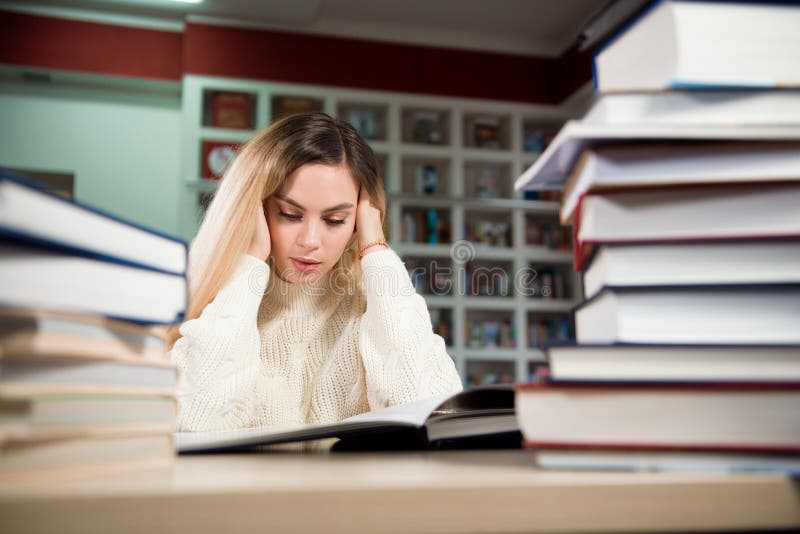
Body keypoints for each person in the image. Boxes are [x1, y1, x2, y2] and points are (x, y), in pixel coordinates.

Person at [167, 112, 463, 433]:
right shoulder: (220, 305)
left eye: (335, 220)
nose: (310, 241)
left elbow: (431, 421)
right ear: (256, 208)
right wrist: (249, 261)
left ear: (358, 221)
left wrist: (376, 250)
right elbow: (191, 422)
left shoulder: (377, 306)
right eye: (290, 214)